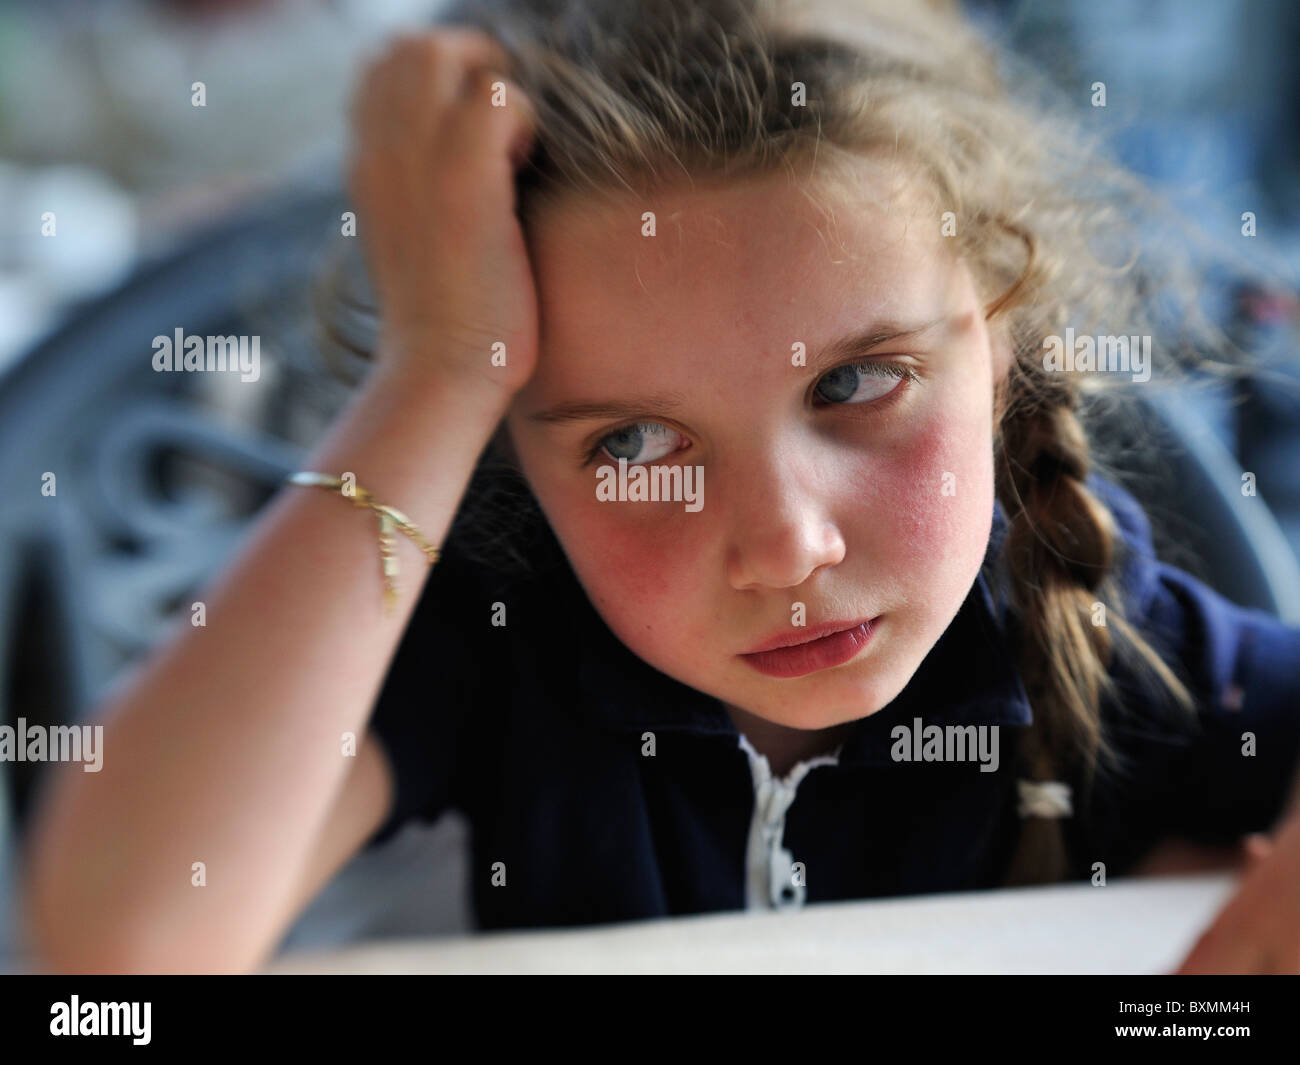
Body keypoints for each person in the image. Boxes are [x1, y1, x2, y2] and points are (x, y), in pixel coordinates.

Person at [20, 0, 1300, 974]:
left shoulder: (1114, 635)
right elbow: (124, 954)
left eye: (856, 385)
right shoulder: (503, 631)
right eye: (631, 445)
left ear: (1002, 335)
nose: (785, 545)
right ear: (513, 445)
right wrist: (437, 371)